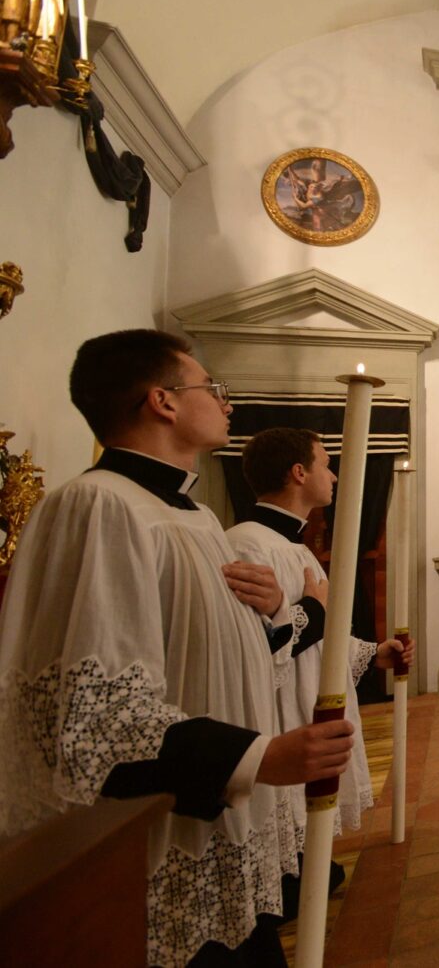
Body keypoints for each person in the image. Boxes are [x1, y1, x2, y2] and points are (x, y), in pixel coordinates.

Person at [0, 329, 356, 967]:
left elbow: (230, 654)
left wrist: (284, 613)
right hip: (164, 833)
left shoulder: (196, 520)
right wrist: (260, 755)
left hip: (221, 820)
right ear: (162, 401)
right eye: (211, 389)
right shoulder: (98, 507)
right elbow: (95, 718)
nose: (226, 403)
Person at [226, 427, 415, 913]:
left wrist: (376, 654)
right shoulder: (246, 544)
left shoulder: (299, 547)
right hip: (279, 710)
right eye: (326, 464)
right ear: (298, 472)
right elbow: (254, 646)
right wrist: (312, 607)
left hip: (307, 696)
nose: (333, 475)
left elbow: (318, 644)